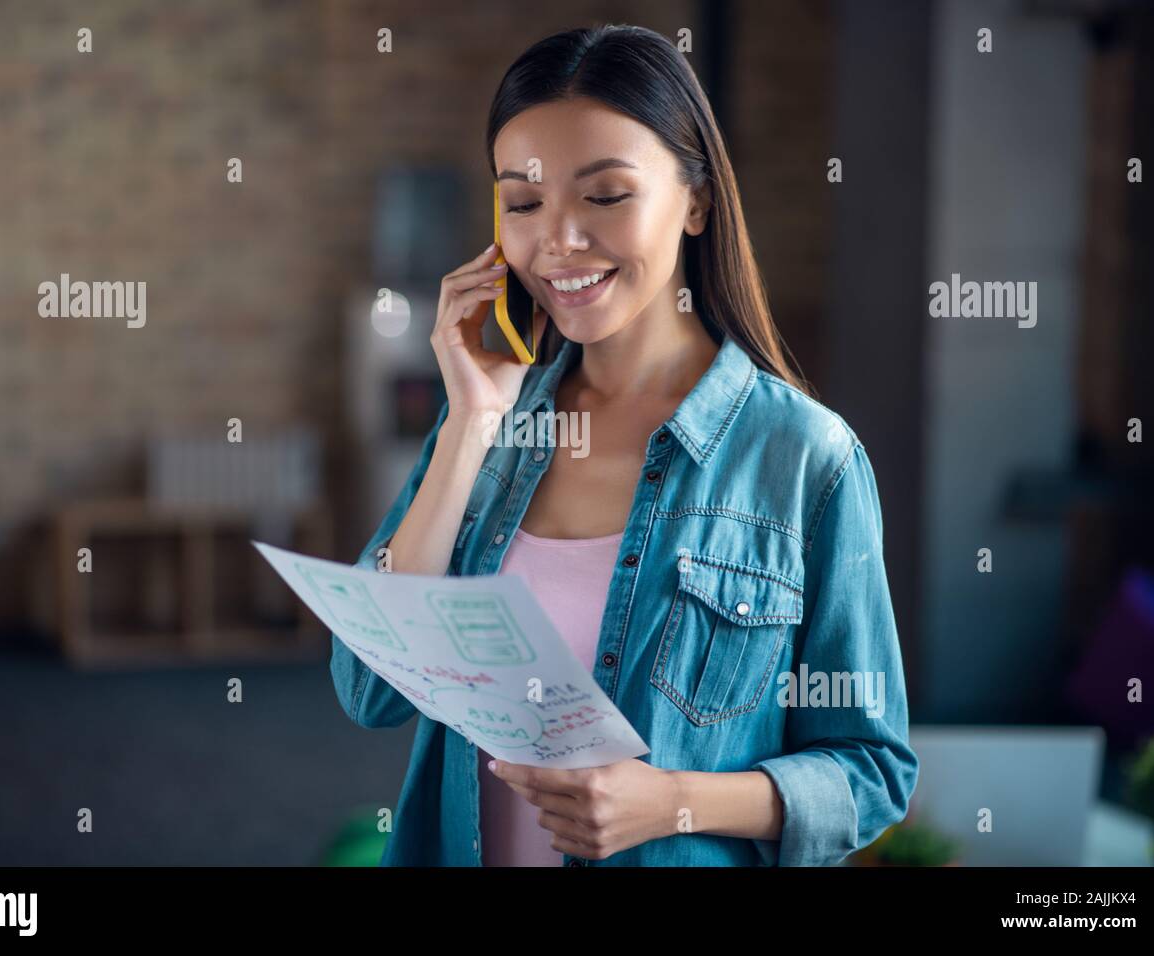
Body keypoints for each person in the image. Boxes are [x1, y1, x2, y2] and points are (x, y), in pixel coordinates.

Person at [331, 23, 917, 866]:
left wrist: (672, 803)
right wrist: (467, 425)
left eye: (604, 196)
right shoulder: (489, 425)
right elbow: (369, 691)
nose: (558, 241)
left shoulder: (806, 462)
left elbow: (870, 774)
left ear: (698, 200)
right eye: (524, 204)